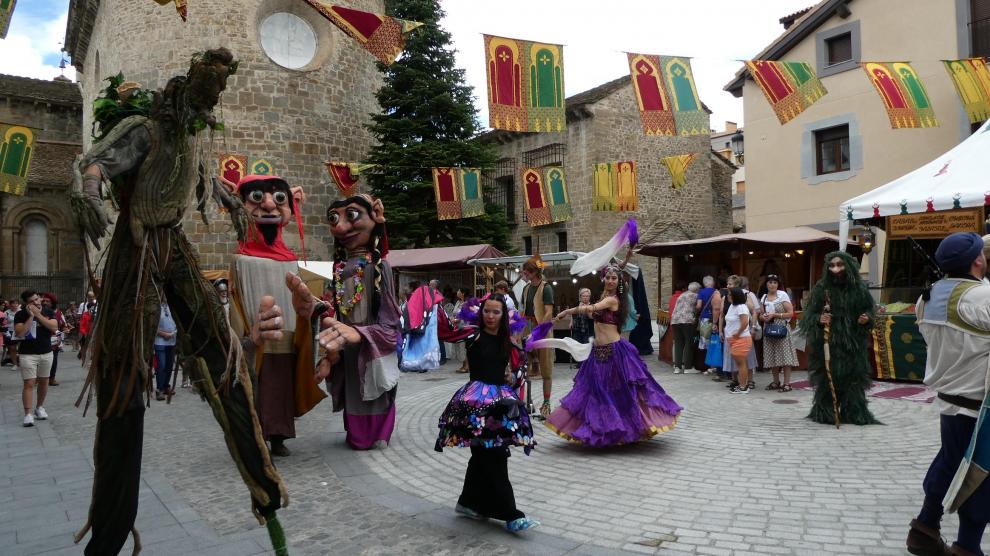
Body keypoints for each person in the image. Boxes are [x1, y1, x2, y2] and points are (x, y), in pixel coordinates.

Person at [70, 48, 290, 554]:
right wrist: (87, 193)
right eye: (205, 95)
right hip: (137, 245)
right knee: (124, 374)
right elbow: (97, 163)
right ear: (185, 92)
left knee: (223, 352)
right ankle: (108, 531)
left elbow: (201, 180)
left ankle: (263, 483)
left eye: (215, 98)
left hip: (175, 245)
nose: (209, 106)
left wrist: (231, 201)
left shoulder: (193, 138)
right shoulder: (144, 130)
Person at [286, 193, 401, 451]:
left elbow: (390, 319)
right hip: (346, 346)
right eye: (334, 219)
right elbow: (338, 312)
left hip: (369, 344)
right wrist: (321, 323)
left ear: (375, 219)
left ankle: (375, 433)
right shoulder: (339, 269)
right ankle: (355, 432)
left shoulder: (381, 267)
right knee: (353, 389)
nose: (341, 227)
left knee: (372, 386)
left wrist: (363, 334)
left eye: (351, 216)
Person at [223, 173, 326, 458]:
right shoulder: (241, 259)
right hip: (255, 342)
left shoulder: (292, 260)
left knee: (281, 391)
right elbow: (234, 303)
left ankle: (279, 437)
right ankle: (255, 438)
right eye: (257, 198)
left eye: (279, 199)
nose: (269, 205)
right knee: (256, 391)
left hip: (288, 340)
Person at [908, 232, 990, 556]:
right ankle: (967, 546)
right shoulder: (981, 297)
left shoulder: (925, 299)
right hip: (980, 405)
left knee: (951, 461)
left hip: (949, 398)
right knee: (980, 473)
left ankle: (925, 528)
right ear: (978, 260)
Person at [434, 293, 539, 532]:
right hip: (474, 405)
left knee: (483, 456)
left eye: (496, 312)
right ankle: (512, 515)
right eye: (487, 311)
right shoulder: (473, 334)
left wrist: (512, 381)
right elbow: (445, 333)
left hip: (499, 406)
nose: (490, 316)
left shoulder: (507, 341)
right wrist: (432, 305)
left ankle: (467, 503)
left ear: (504, 316)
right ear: (480, 313)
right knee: (493, 457)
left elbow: (516, 367)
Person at [546, 264, 682, 446]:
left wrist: (568, 311)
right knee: (596, 393)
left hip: (615, 351)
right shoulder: (603, 296)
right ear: (604, 279)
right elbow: (593, 313)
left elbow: (592, 308)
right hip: (598, 351)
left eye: (614, 278)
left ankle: (625, 430)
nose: (610, 281)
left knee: (621, 392)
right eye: (608, 277)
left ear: (619, 282)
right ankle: (601, 428)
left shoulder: (613, 300)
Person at [798, 251, 879, 426]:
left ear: (848, 266)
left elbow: (869, 310)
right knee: (828, 378)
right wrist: (819, 319)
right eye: (832, 266)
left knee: (854, 378)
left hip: (853, 344)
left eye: (840, 265)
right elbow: (808, 316)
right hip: (829, 344)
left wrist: (866, 318)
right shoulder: (821, 289)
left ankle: (854, 412)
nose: (836, 269)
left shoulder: (859, 289)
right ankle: (826, 411)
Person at [15, 289, 58, 427]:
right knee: (29, 383)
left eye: (36, 299)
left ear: (39, 298)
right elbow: (20, 333)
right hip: (28, 354)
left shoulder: (48, 311)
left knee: (44, 381)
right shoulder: (20, 315)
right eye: (31, 301)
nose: (36, 302)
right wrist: (31, 317)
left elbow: (53, 327)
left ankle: (39, 407)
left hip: (46, 352)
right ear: (26, 304)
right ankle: (28, 414)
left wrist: (38, 315)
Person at [520, 255, 554, 419]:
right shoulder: (526, 289)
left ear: (534, 272)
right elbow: (523, 311)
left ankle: (546, 404)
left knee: (546, 369)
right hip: (527, 328)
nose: (523, 273)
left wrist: (538, 331)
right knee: (523, 367)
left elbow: (548, 312)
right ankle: (527, 402)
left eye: (526, 270)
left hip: (542, 330)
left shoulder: (546, 287)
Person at [760, 275, 799, 392]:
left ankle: (787, 383)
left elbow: (790, 313)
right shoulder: (764, 297)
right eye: (770, 282)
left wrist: (775, 315)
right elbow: (761, 314)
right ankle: (776, 381)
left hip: (781, 328)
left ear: (778, 285)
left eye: (774, 283)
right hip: (769, 329)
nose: (772, 285)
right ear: (766, 284)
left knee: (785, 356)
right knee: (772, 356)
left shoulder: (782, 295)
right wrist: (764, 317)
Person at [724, 288, 753, 394]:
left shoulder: (741, 307)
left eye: (730, 294)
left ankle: (743, 387)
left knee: (741, 364)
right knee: (739, 364)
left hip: (741, 339)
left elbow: (745, 322)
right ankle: (742, 385)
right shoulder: (732, 306)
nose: (728, 296)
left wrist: (738, 333)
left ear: (735, 296)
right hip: (733, 340)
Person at [41, 293, 69, 386]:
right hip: (41, 340)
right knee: (41, 360)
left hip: (54, 341)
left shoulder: (58, 313)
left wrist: (65, 329)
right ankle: (40, 378)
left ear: (53, 303)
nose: (45, 303)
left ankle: (51, 378)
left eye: (47, 301)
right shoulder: (39, 312)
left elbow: (63, 325)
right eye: (43, 301)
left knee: (53, 360)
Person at [671, 282, 700, 374]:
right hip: (687, 321)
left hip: (675, 320)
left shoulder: (682, 295)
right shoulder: (695, 295)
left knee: (678, 343)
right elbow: (698, 307)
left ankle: (677, 367)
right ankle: (687, 367)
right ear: (696, 289)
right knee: (689, 343)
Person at [153, 302, 177, 401]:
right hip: (160, 341)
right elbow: (152, 325)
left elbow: (177, 324)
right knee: (161, 366)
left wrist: (173, 333)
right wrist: (163, 334)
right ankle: (160, 389)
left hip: (172, 341)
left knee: (169, 365)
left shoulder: (172, 306)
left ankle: (166, 386)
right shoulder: (156, 307)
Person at [568, 287, 594, 369]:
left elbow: (592, 317)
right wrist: (571, 322)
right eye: (584, 296)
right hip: (577, 328)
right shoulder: (576, 304)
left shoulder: (592, 305)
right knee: (578, 345)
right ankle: (580, 364)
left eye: (587, 296)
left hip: (588, 329)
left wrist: (587, 308)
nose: (586, 298)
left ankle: (587, 364)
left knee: (586, 346)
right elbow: (572, 314)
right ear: (580, 297)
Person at [696, 276, 716, 372]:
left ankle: (705, 366)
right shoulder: (716, 291)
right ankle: (713, 366)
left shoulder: (701, 292)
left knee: (704, 342)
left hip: (704, 319)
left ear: (704, 283)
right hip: (715, 319)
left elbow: (699, 306)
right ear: (713, 282)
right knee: (714, 341)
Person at [449, 288, 469, 373]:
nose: (457, 292)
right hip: (457, 327)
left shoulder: (467, 304)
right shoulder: (458, 302)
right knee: (460, 346)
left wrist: (457, 320)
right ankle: (464, 365)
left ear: (463, 293)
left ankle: (466, 366)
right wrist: (453, 319)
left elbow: (465, 315)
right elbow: (454, 313)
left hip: (464, 327)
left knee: (464, 347)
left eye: (459, 291)